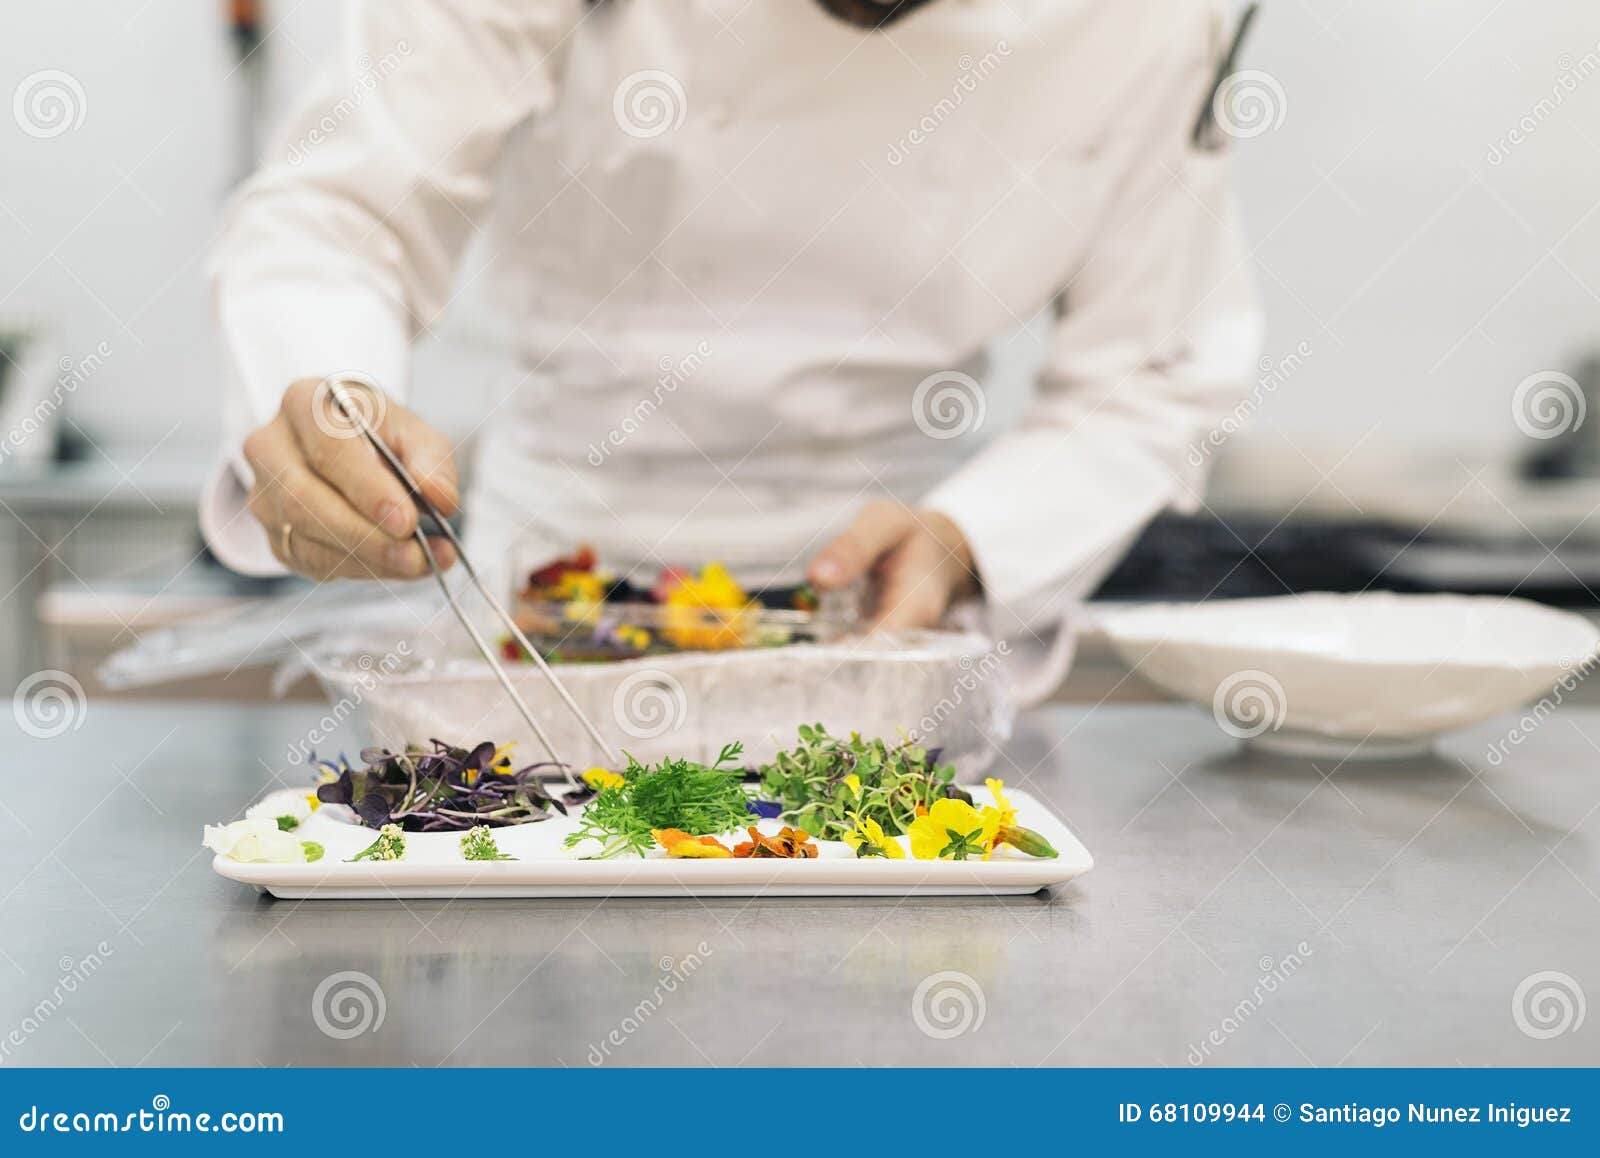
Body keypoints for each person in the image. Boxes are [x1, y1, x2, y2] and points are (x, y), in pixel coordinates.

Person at [202, 0, 1261, 702]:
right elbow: (337, 218)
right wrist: (323, 400)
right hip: (535, 609)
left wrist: (967, 543)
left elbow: (1150, 375)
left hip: (890, 639)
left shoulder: (1155, 20)